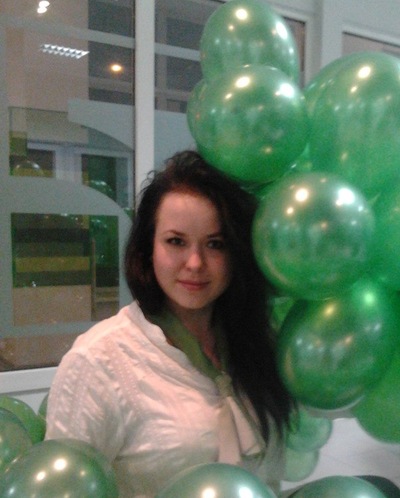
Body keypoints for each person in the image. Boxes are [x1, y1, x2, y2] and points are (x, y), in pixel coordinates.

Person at [45, 150, 295, 497]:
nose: (195, 263)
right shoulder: (98, 361)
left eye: (215, 244)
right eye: (176, 241)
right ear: (148, 248)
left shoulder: (254, 342)